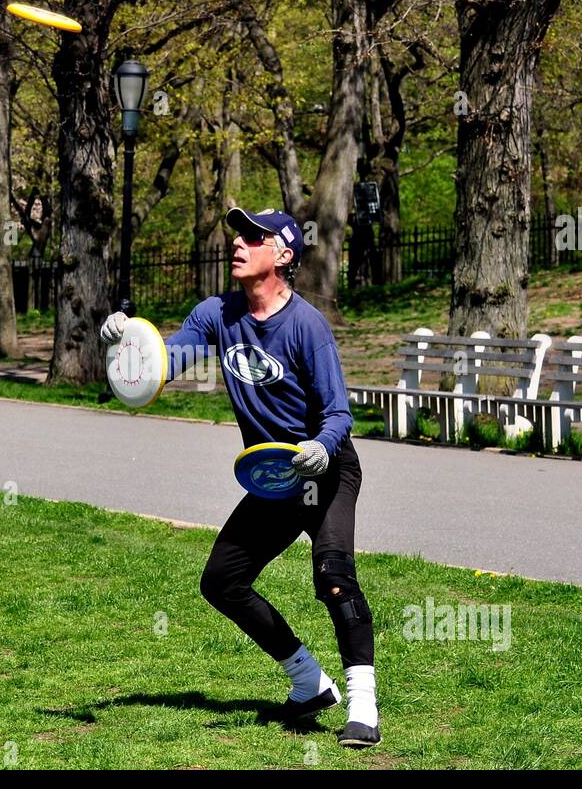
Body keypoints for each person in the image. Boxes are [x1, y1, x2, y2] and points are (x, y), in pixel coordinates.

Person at [100, 207, 379, 749]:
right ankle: (307, 680)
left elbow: (340, 414)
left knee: (333, 576)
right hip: (275, 476)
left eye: (254, 236)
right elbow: (158, 368)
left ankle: (363, 703)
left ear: (284, 255)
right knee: (222, 581)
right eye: (238, 233)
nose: (238, 242)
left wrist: (320, 448)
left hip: (326, 468)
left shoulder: (306, 325)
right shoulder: (217, 314)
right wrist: (123, 343)